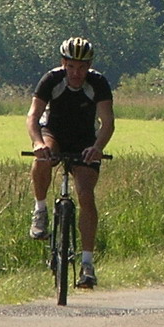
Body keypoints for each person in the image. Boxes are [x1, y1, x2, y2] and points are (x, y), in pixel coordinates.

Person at [26, 36, 114, 289]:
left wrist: (97, 148)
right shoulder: (52, 79)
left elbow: (107, 123)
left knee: (86, 195)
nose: (77, 73)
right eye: (72, 66)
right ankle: (40, 210)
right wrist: (37, 143)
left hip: (85, 140)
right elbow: (33, 116)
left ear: (89, 66)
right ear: (63, 63)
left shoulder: (98, 83)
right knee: (43, 158)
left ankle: (87, 265)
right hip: (54, 133)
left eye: (82, 67)